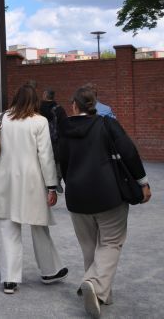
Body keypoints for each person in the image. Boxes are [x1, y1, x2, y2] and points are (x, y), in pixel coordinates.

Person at [58, 86, 151, 318]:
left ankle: (101, 294)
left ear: (74, 105)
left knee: (89, 246)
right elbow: (128, 152)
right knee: (111, 243)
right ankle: (95, 285)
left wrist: (55, 186)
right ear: (95, 105)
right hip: (109, 194)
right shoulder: (107, 124)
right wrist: (143, 182)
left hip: (77, 197)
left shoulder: (64, 129)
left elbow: (60, 162)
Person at [0, 85, 68, 295]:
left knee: (8, 229)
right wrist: (52, 186)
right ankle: (49, 271)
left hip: (4, 178)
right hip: (32, 180)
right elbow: (45, 156)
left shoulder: (0, 118)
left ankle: (10, 280)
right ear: (35, 101)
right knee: (39, 226)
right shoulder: (40, 121)